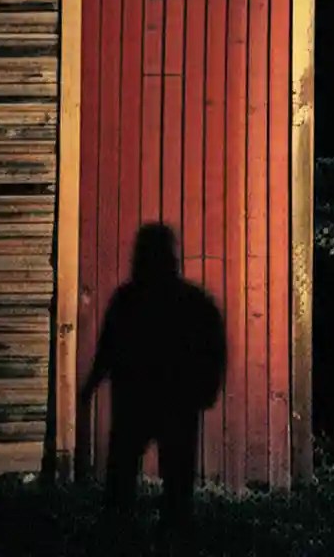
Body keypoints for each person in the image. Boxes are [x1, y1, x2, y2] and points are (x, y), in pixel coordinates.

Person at [80, 223, 226, 531]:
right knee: (177, 473)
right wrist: (207, 388)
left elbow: (107, 350)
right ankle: (173, 529)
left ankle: (119, 530)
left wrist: (90, 386)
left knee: (124, 469)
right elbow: (214, 347)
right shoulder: (192, 301)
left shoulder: (127, 300)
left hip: (135, 398)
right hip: (177, 399)